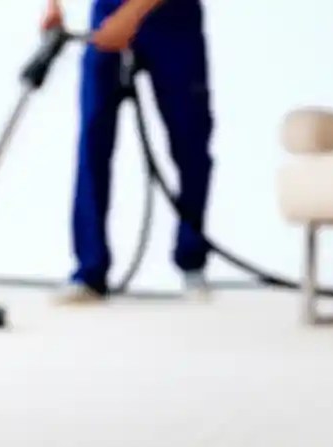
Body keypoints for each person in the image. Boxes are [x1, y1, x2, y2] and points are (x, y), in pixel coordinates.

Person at [44, 0, 215, 303]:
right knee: (93, 142)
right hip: (108, 13)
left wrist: (131, 14)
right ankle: (89, 271)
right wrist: (53, 7)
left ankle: (192, 261)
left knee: (191, 142)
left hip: (173, 21)